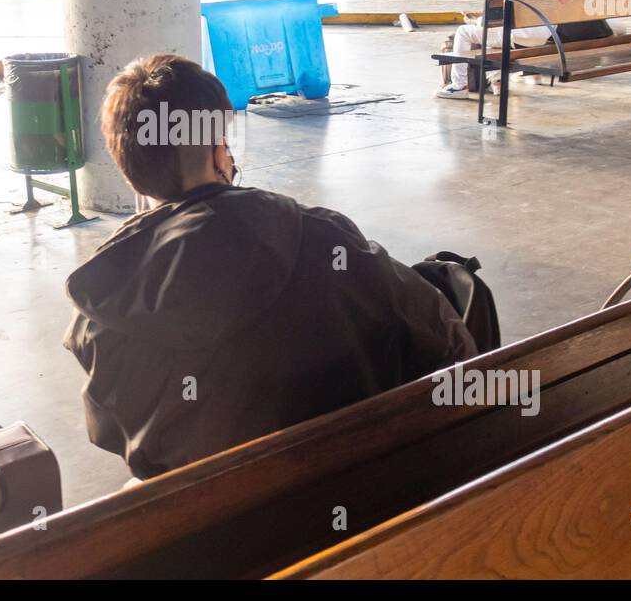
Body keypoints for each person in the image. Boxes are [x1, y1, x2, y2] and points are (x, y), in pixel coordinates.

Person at [62, 54, 478, 479]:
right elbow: (448, 343)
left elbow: (113, 435)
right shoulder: (325, 238)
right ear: (215, 152)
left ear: (129, 170)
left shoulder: (99, 307)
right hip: (361, 497)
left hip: (211, 525)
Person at [437, 0, 551, 99]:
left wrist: (473, 21)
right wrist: (480, 20)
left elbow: (493, 21)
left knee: (463, 32)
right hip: (542, 37)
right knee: (492, 38)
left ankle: (459, 85)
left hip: (522, 38)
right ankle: (497, 82)